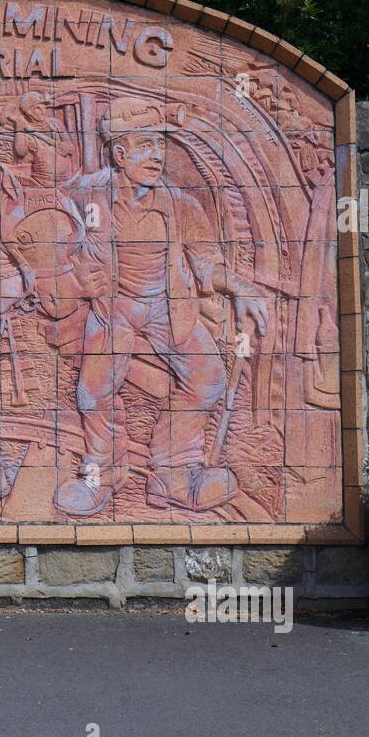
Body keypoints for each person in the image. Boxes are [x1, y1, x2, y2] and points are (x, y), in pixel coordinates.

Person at [53, 98, 268, 516]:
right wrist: (72, 276)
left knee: (207, 379)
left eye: (160, 146)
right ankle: (100, 476)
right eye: (146, 145)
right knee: (93, 393)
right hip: (111, 309)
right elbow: (44, 239)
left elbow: (206, 261)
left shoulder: (179, 204)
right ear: (120, 153)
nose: (157, 156)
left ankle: (174, 477)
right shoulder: (82, 195)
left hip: (167, 307)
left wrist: (241, 286)